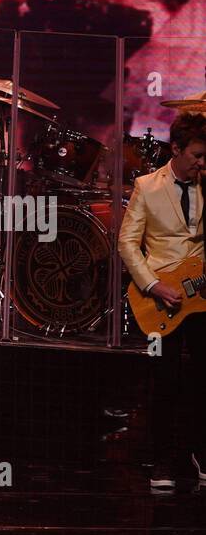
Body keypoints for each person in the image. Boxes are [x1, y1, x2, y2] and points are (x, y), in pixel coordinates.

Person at [118, 111, 206, 491]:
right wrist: (153, 285)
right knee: (165, 379)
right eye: (197, 155)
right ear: (177, 149)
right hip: (159, 301)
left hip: (201, 297)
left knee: (202, 377)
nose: (202, 163)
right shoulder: (147, 186)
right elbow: (127, 242)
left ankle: (198, 450)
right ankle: (162, 458)